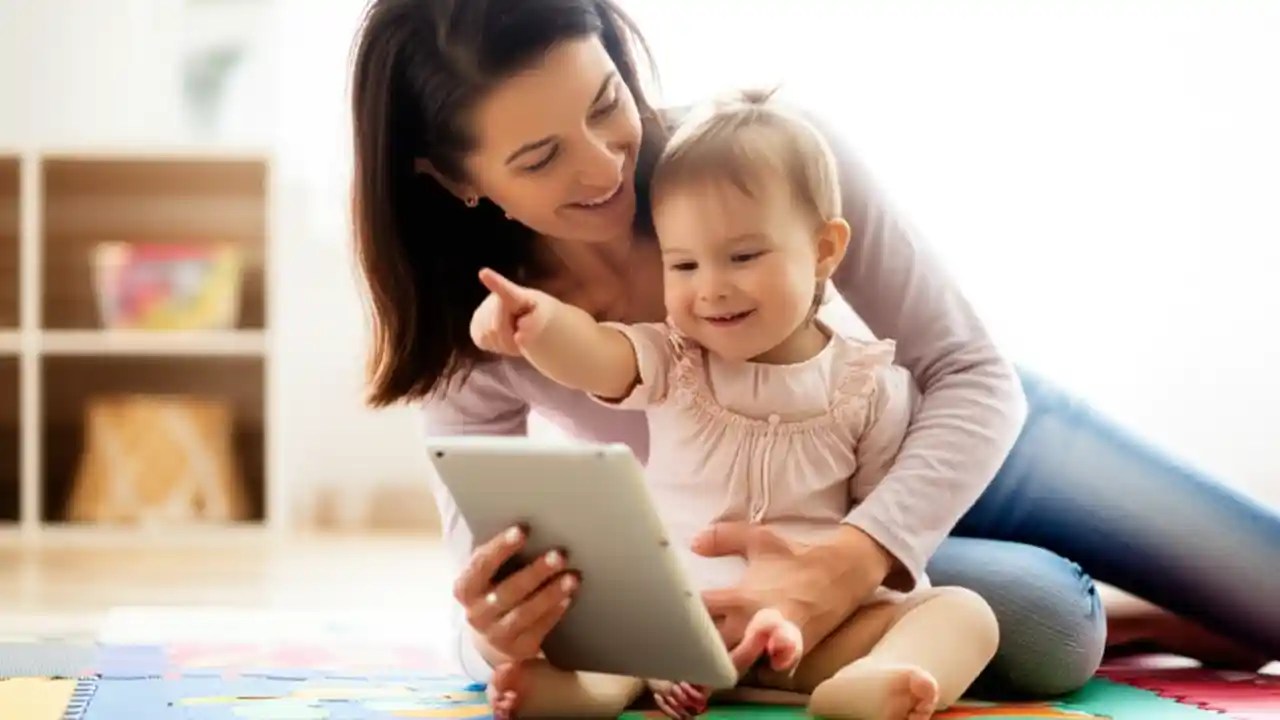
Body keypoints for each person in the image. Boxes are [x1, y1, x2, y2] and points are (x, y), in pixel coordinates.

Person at [348, 0, 1280, 706]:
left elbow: (969, 373)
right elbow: (478, 601)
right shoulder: (476, 328)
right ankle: (1137, 620)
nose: (603, 166)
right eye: (540, 157)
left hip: (943, 430)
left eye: (606, 104)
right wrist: (498, 628)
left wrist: (857, 556)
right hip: (787, 517)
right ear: (452, 178)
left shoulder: (756, 156)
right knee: (1048, 621)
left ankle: (1154, 597)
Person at [468, 90, 1001, 719]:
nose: (712, 288)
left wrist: (863, 610)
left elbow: (875, 524)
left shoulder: (869, 384)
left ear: (824, 250)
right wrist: (538, 323)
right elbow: (595, 354)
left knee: (965, 613)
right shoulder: (673, 359)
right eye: (683, 265)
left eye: (743, 257)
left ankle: (869, 681)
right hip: (673, 620)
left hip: (807, 630)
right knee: (599, 616)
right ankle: (587, 692)